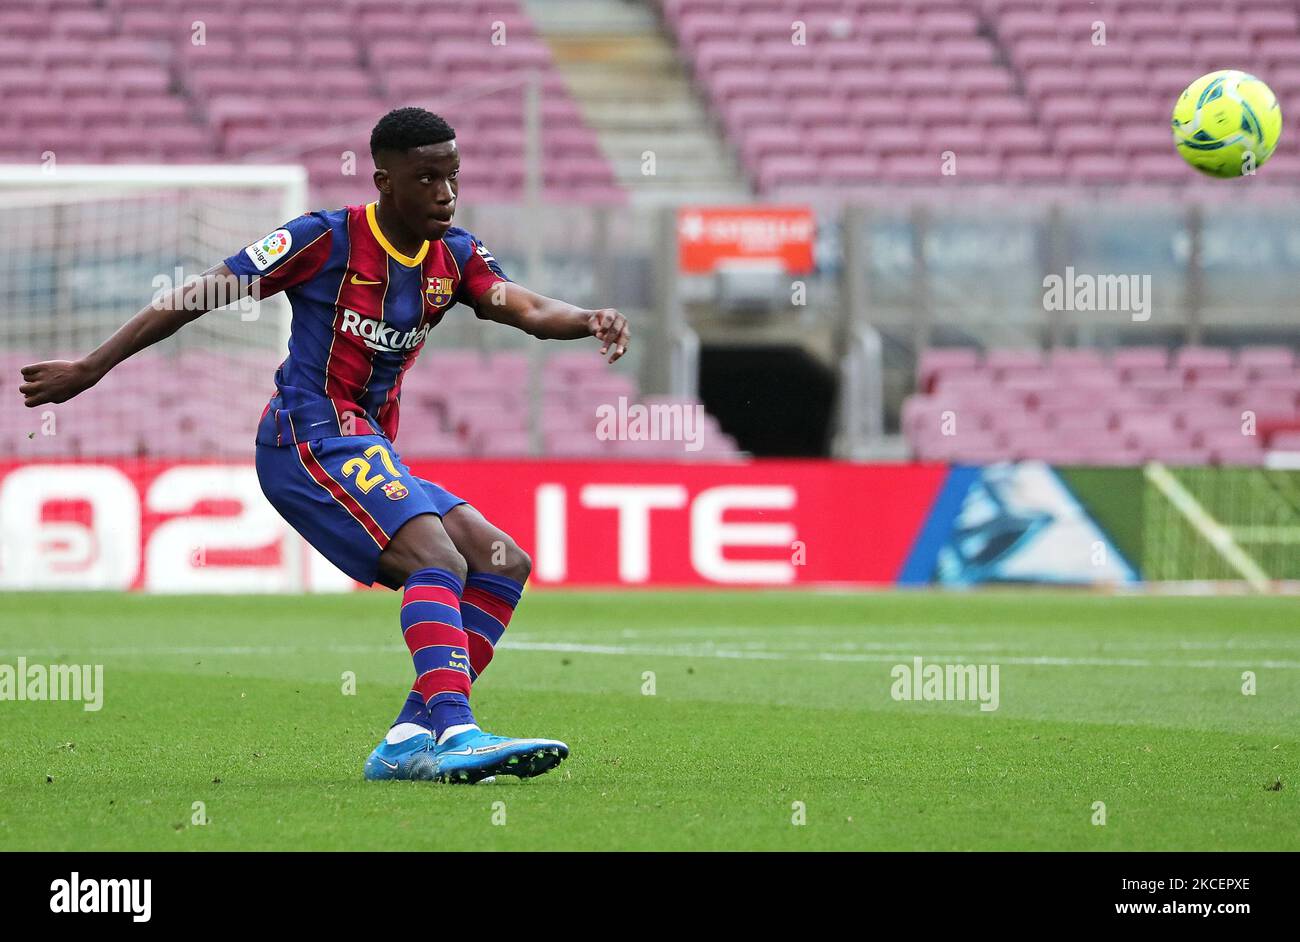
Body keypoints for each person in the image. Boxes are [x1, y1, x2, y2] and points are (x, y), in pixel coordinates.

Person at [18, 106, 631, 784]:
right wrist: (92, 366)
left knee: (500, 560)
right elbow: (200, 294)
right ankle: (457, 732)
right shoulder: (324, 239)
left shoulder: (453, 254)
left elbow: (524, 307)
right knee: (437, 557)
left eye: (452, 177)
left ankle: (409, 737)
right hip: (306, 437)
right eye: (427, 179)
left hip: (368, 447)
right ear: (384, 181)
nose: (445, 194)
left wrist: (587, 318)